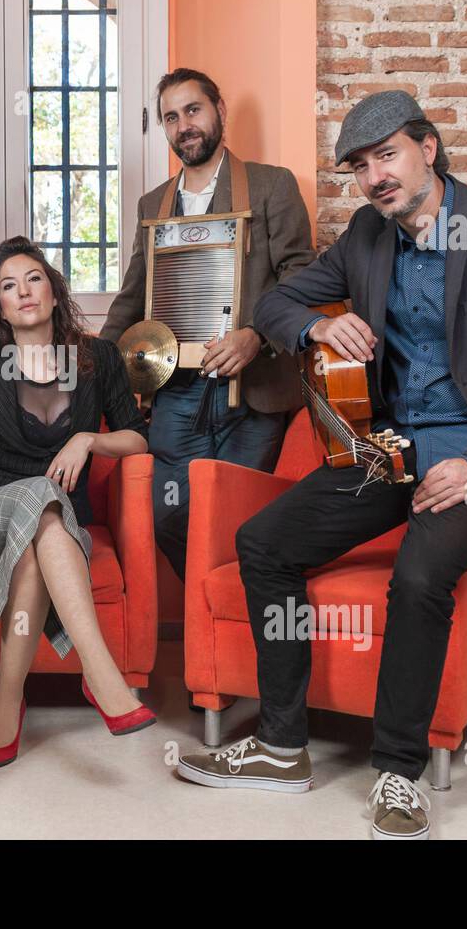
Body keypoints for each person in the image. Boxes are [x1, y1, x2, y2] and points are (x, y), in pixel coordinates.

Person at [175, 90, 467, 840]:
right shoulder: (367, 237)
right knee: (263, 543)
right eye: (360, 167)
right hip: (390, 452)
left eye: (387, 155)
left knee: (421, 575)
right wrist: (318, 325)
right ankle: (280, 743)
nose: (374, 177)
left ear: (428, 148)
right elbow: (272, 307)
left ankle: (399, 774)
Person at [0, 237, 156, 770]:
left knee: (43, 533)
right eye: (8, 286)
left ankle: (3, 709)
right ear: (0, 306)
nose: (24, 291)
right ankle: (101, 675)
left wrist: (89, 440)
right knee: (42, 493)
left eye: (33, 278)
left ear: (54, 292)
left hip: (59, 528)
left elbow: (136, 439)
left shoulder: (97, 358)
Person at [99, 68, 314, 584]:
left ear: (220, 110)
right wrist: (96, 363)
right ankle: (212, 618)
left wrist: (256, 336)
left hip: (254, 390)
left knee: (240, 519)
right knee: (168, 514)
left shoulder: (271, 185)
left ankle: (224, 647)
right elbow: (133, 294)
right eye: (171, 118)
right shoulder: (155, 204)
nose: (183, 126)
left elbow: (302, 275)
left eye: (193, 110)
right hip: (175, 391)